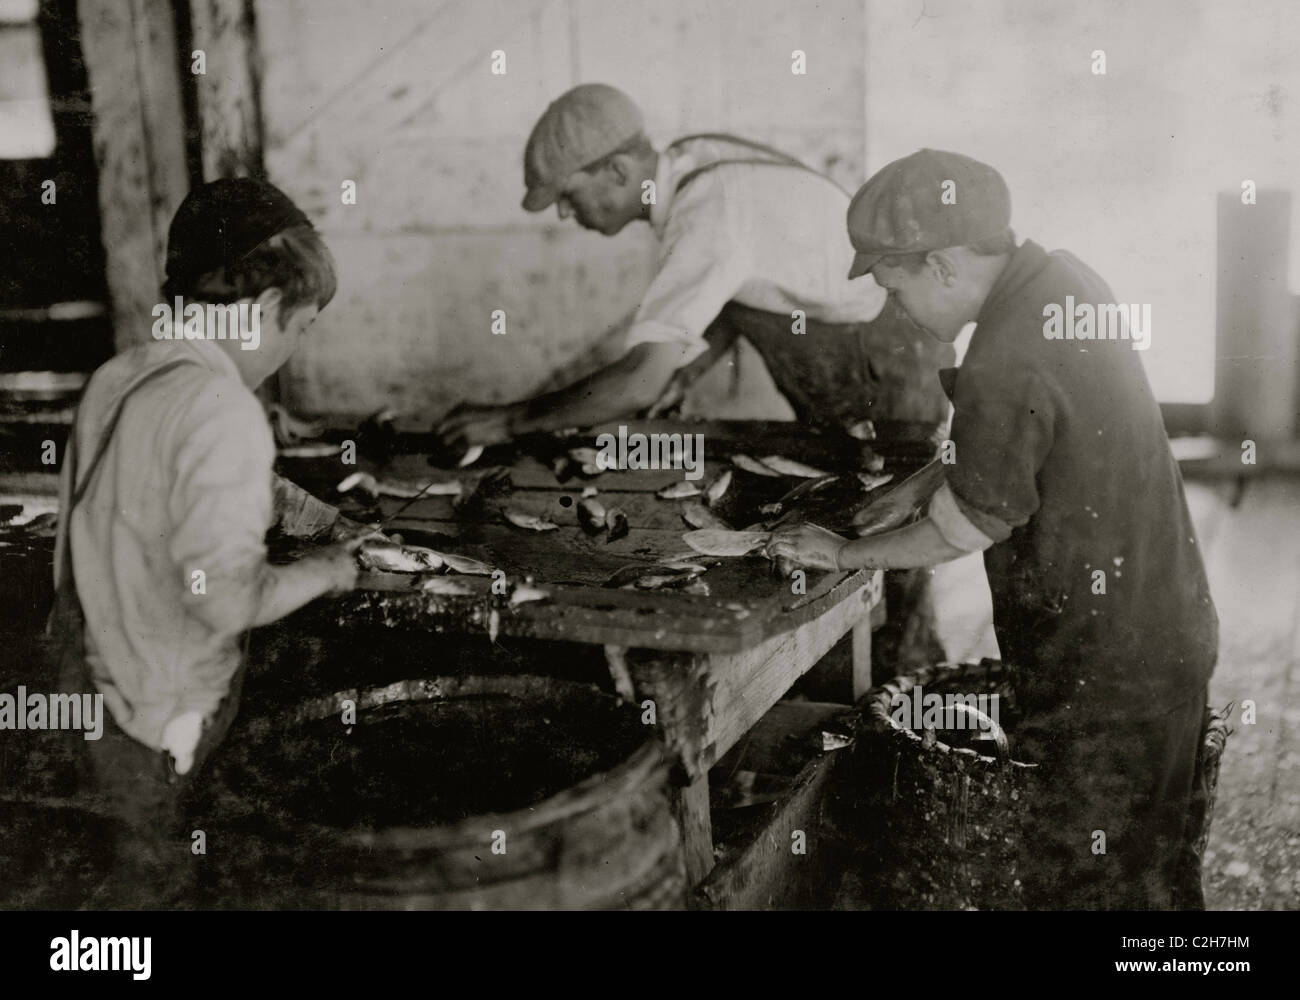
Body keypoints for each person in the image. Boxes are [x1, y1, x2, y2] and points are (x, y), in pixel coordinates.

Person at [768, 149, 1219, 909]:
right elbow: (1035, 439)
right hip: (1165, 631)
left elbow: (970, 524)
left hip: (1101, 669)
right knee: (1157, 868)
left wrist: (845, 550)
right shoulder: (1060, 280)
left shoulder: (1006, 354)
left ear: (942, 266)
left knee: (1084, 881)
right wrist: (919, 484)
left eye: (896, 286)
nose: (898, 310)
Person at [47, 177, 366, 907]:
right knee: (165, 890)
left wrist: (317, 516)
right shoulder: (223, 406)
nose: (295, 347)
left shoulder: (125, 375)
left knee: (130, 869)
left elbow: (163, 479)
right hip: (162, 716)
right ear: (259, 310)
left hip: (92, 686)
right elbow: (225, 599)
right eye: (302, 325)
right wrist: (327, 569)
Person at [434, 82, 951, 444]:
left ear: (617, 170)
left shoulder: (706, 213)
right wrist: (689, 368)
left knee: (887, 536)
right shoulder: (692, 159)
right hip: (870, 341)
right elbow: (739, 283)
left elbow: (639, 381)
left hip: (881, 361)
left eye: (569, 196)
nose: (567, 214)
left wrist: (508, 421)